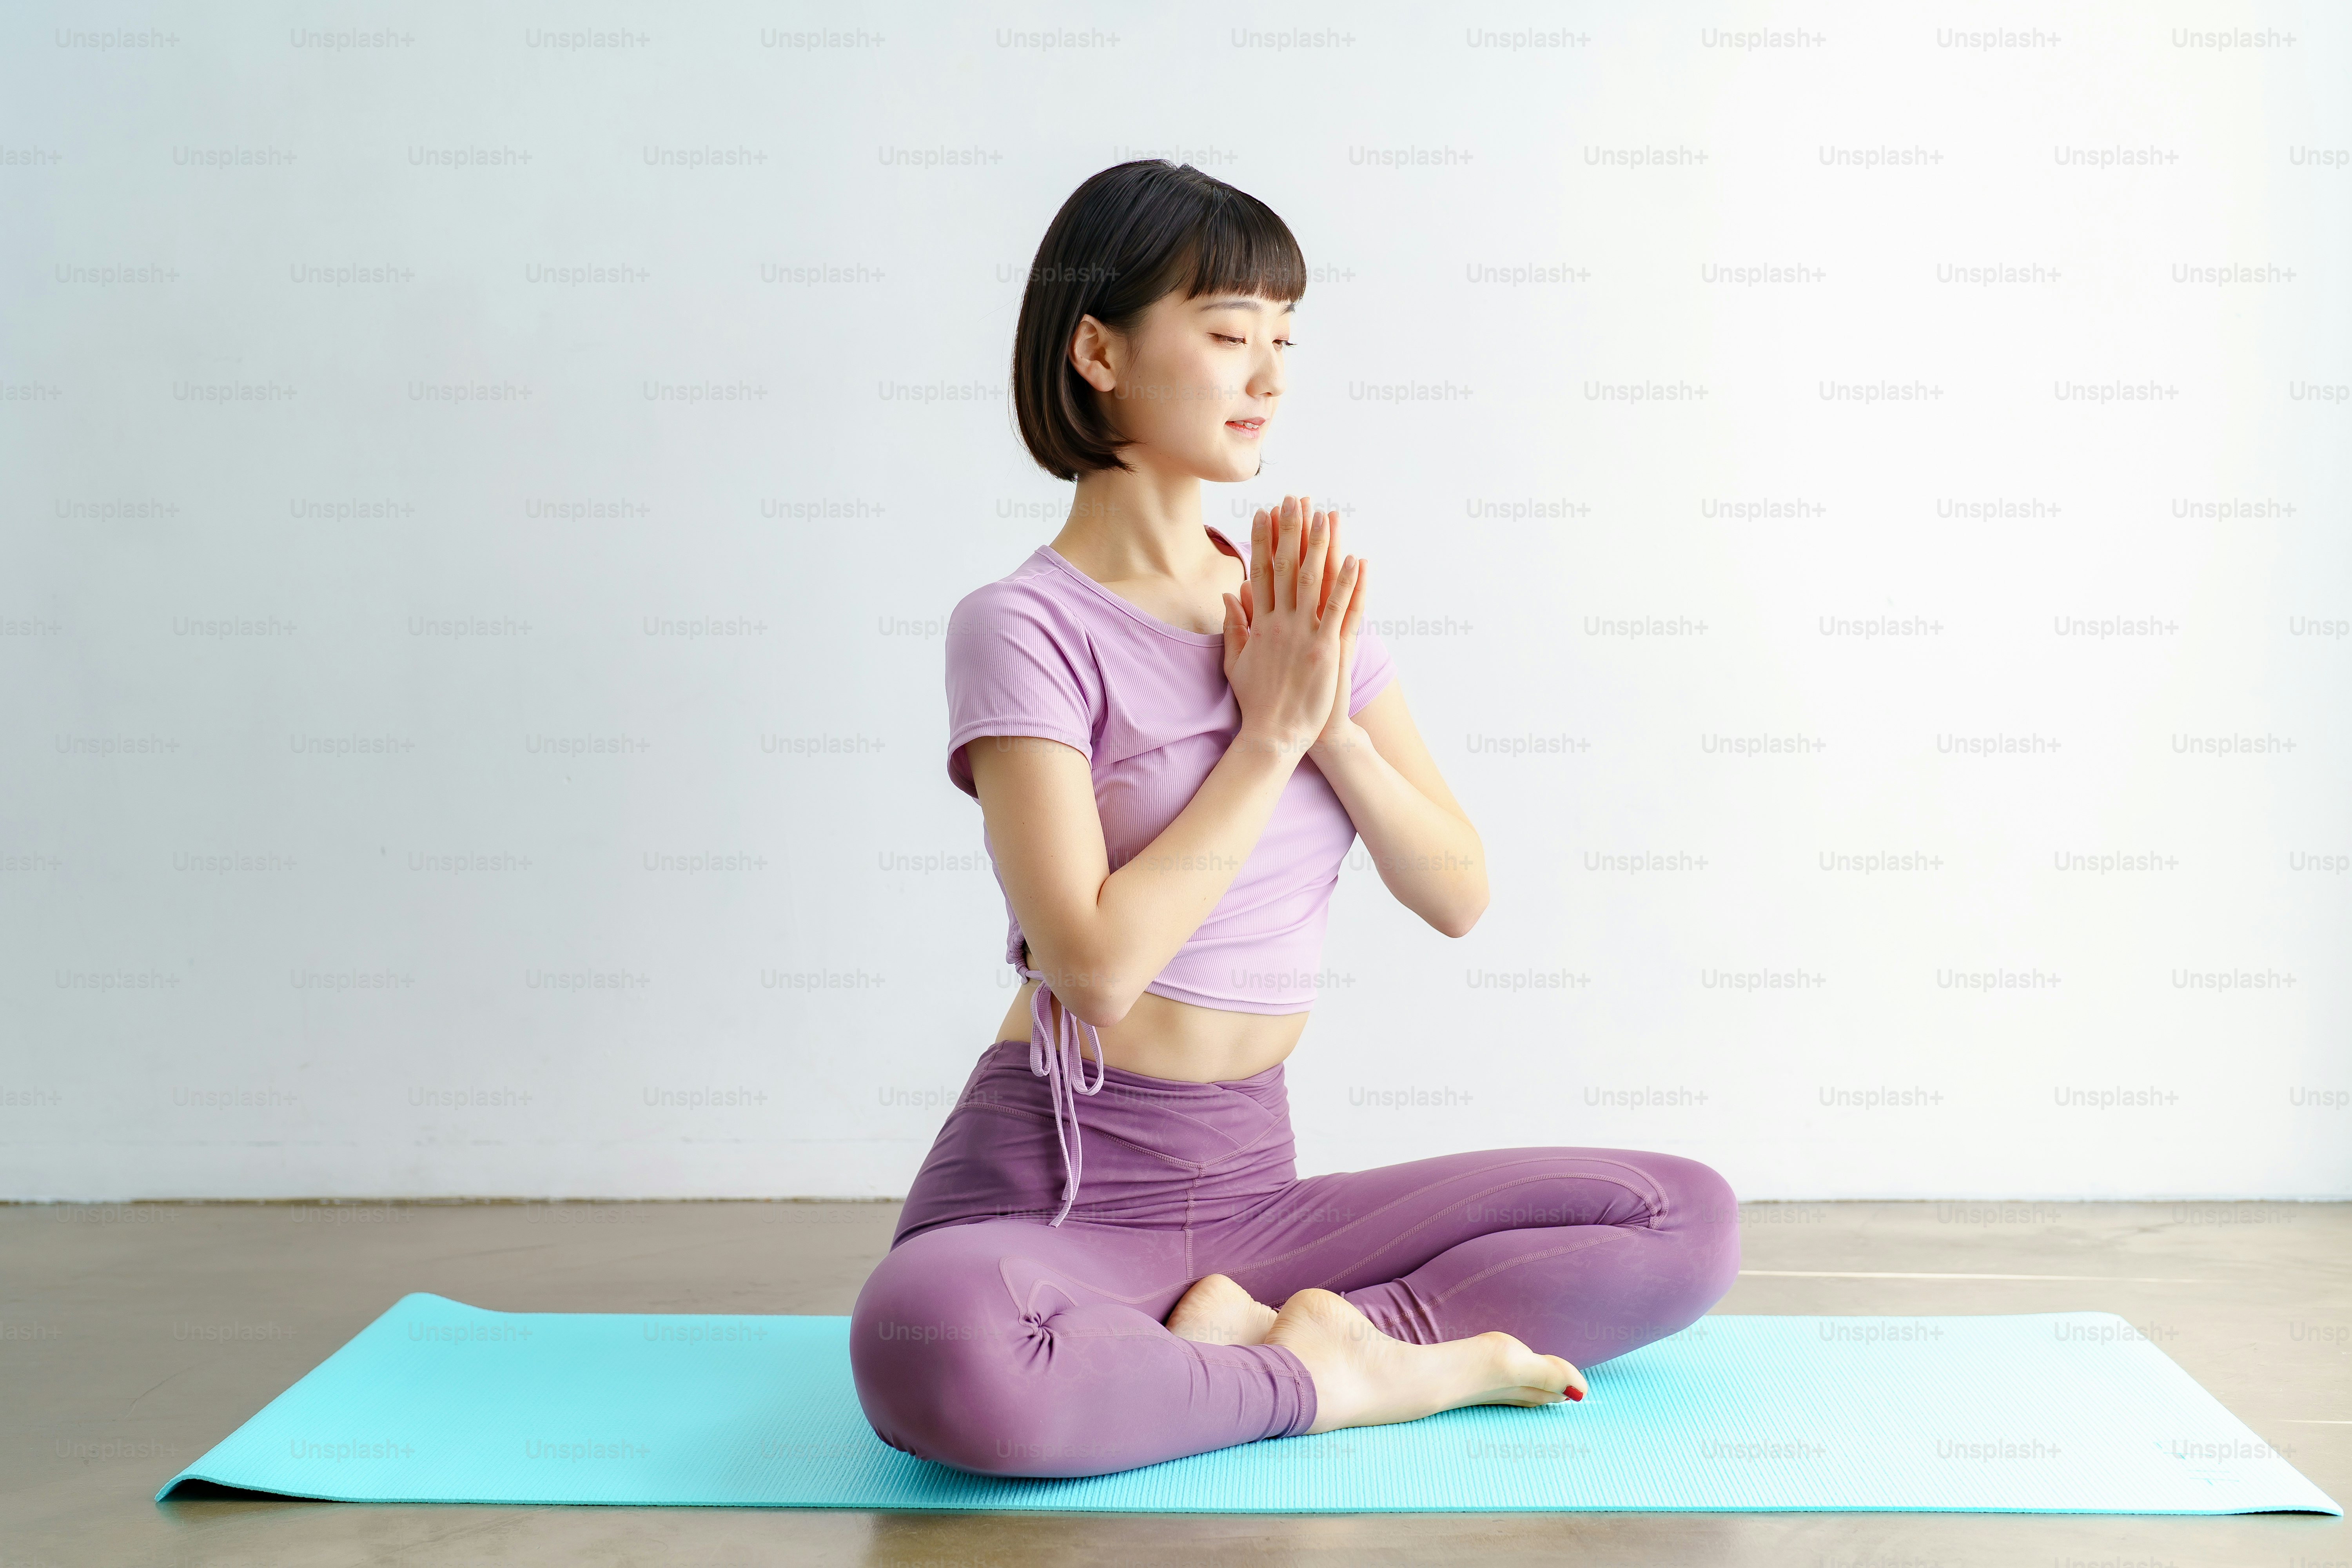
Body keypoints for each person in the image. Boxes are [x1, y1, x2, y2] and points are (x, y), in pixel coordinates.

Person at [849, 161, 1739, 1479]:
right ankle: (1323, 1377)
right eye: (1225, 335)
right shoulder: (1023, 629)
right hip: (1067, 1186)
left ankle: (1305, 1348)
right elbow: (1092, 967)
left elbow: (1456, 891)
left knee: (1682, 1218)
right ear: (1097, 349)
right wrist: (1265, 738)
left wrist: (1324, 717)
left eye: (1283, 339)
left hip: (1257, 1185)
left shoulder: (1295, 604)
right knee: (938, 1342)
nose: (1266, 375)